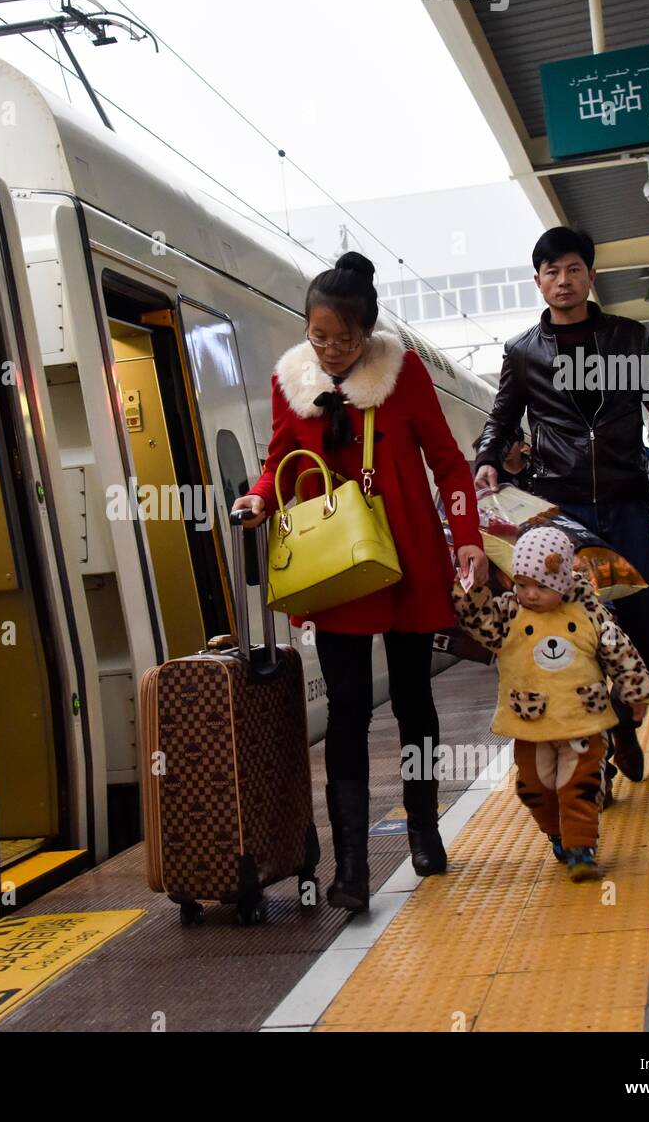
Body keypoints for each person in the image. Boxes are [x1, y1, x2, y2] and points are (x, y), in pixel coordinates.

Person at [231, 252, 487, 910]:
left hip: (407, 561)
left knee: (413, 703)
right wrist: (261, 499)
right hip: (336, 568)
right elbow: (277, 461)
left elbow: (451, 467)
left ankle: (424, 828)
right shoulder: (292, 382)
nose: (330, 350)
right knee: (345, 712)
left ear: (369, 332)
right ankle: (351, 867)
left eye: (343, 339)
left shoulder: (405, 378)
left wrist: (467, 546)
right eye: (318, 337)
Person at [473, 227, 649, 786]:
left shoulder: (626, 339)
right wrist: (488, 458)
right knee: (576, 626)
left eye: (572, 269)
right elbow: (502, 418)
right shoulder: (522, 353)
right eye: (551, 272)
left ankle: (621, 725)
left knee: (640, 627)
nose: (562, 281)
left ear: (590, 274)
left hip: (624, 502)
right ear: (537, 281)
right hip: (559, 512)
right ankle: (593, 757)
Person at [453, 527, 649, 880]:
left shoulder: (588, 611)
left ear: (562, 582)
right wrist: (470, 592)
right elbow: (479, 624)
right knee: (532, 787)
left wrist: (635, 691)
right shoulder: (508, 614)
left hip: (583, 719)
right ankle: (556, 832)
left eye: (542, 586)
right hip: (531, 722)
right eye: (521, 583)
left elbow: (619, 651)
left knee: (581, 785)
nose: (530, 594)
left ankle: (581, 849)